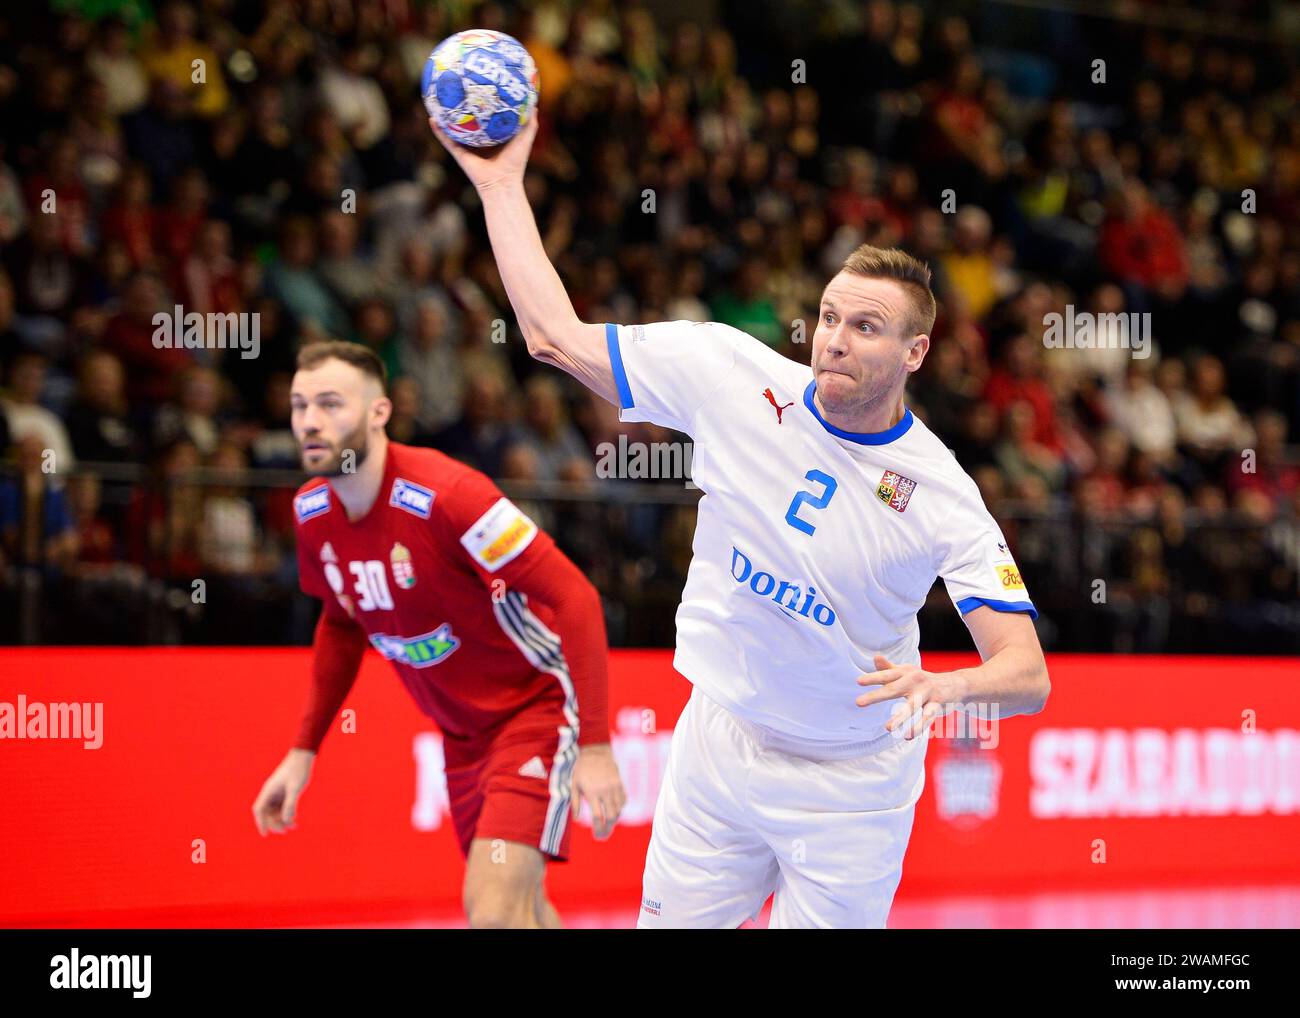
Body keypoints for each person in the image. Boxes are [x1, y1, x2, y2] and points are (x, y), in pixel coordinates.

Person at [431, 113, 1050, 928]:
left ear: (915, 353)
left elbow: (1026, 674)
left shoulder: (939, 493)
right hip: (719, 746)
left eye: (865, 328)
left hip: (851, 784)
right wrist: (499, 183)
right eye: (829, 317)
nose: (834, 339)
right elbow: (551, 338)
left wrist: (948, 685)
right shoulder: (730, 372)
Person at [252, 340, 625, 929]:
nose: (310, 422)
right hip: (460, 736)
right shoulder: (310, 514)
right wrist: (302, 754)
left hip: (535, 710)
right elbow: (343, 622)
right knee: (524, 908)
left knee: (493, 912)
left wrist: (599, 748)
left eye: (330, 403)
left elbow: (575, 595)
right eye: (299, 406)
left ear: (379, 413)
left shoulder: (451, 496)